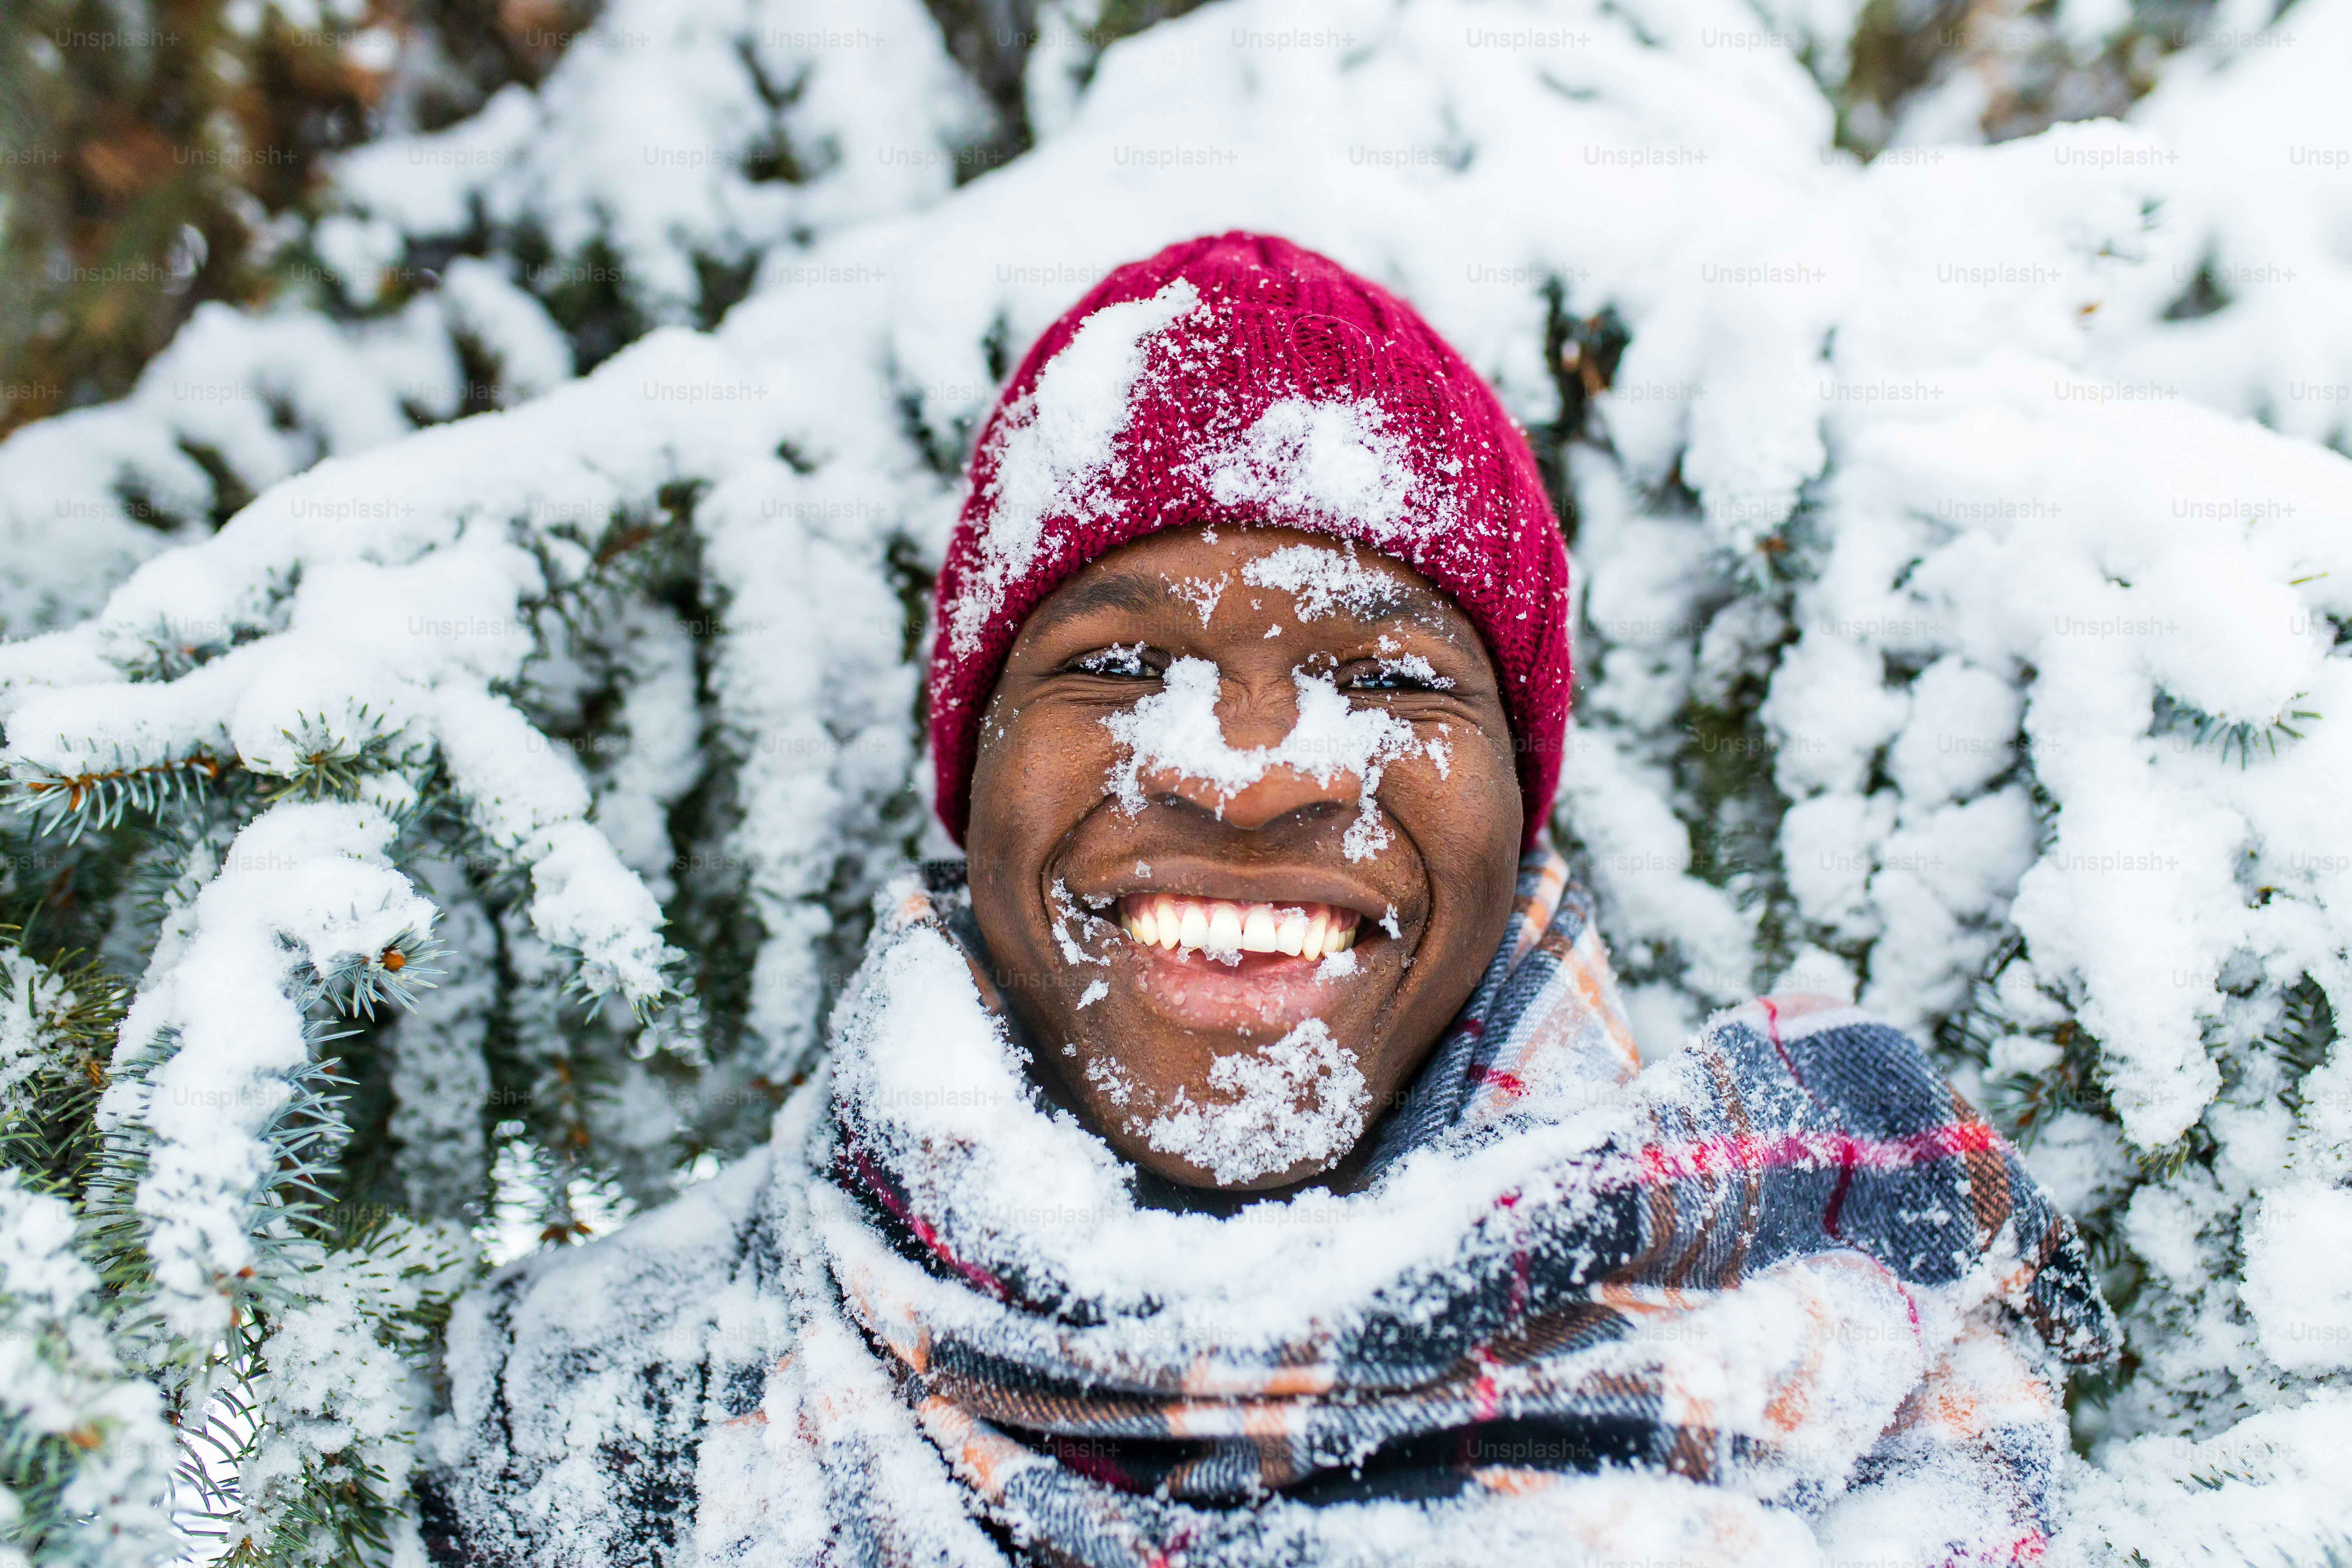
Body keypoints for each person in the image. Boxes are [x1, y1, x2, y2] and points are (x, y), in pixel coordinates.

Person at [419, 234, 2113, 1568]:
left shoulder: (1869, 1358)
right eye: (1121, 659)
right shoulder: (569, 1405)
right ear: (975, 771)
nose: (1252, 771)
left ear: (1524, 810)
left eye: (1386, 675)